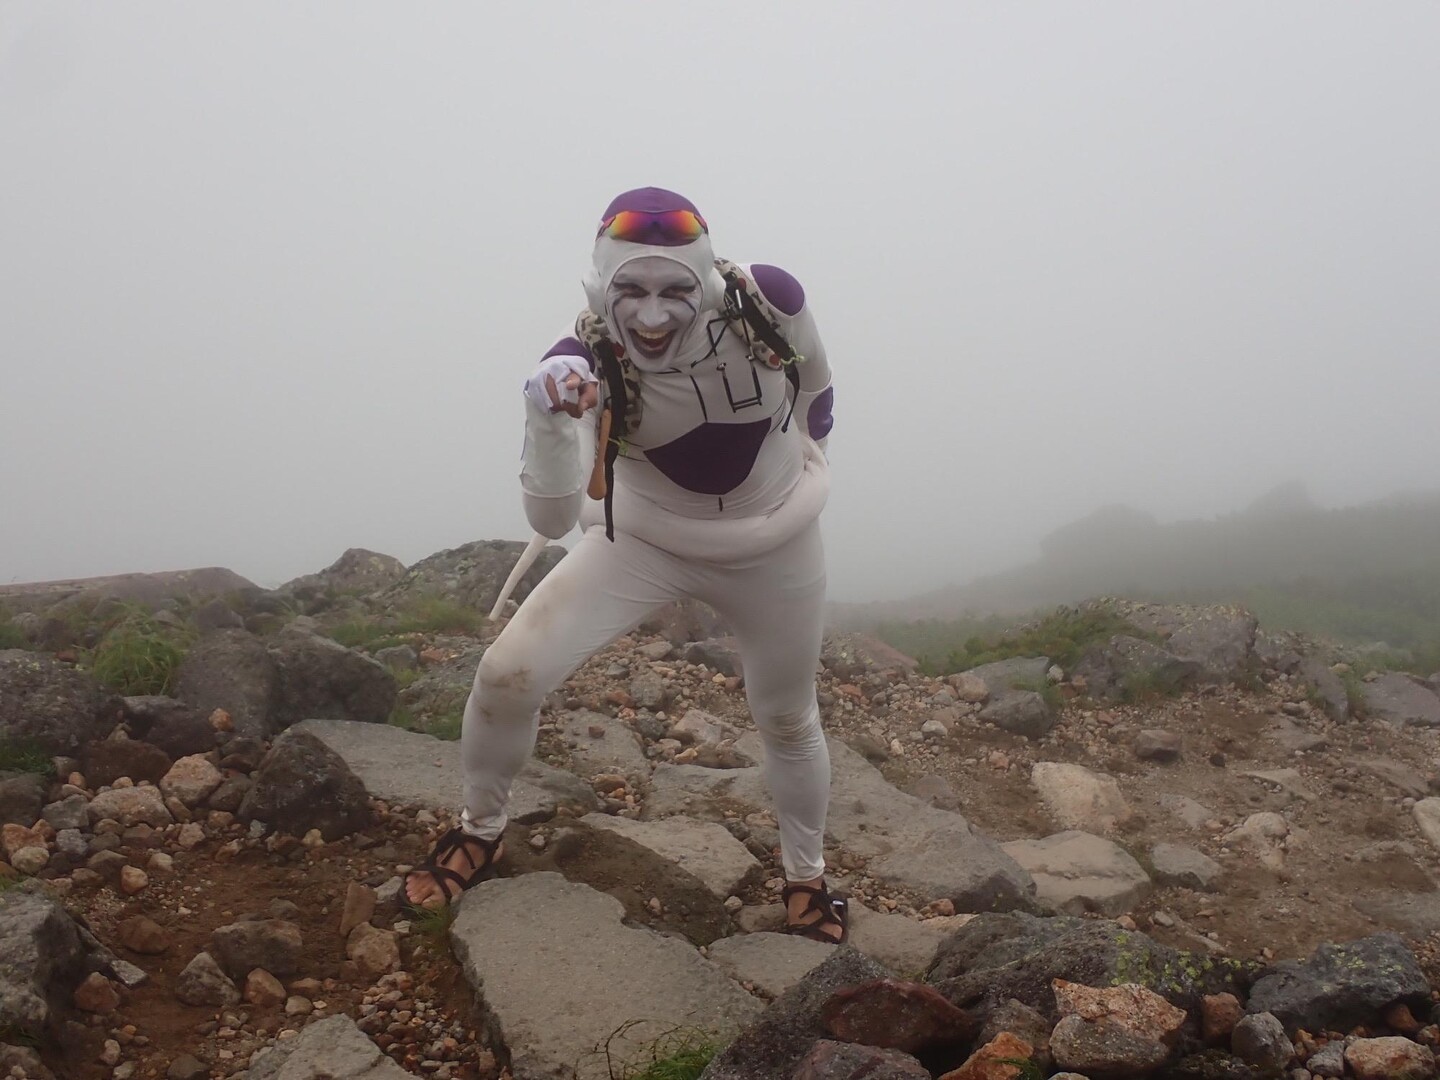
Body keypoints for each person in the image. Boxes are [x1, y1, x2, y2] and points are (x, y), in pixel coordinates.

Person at [402, 187, 843, 941]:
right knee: (507, 675)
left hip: (777, 547)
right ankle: (480, 827)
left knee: (787, 718)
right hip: (640, 541)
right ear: (599, 290)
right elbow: (547, 519)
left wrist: (802, 468)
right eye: (628, 291)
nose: (650, 316)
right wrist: (546, 418)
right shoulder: (581, 365)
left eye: (676, 291)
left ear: (706, 283)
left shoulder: (769, 301)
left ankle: (806, 876)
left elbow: (818, 389)